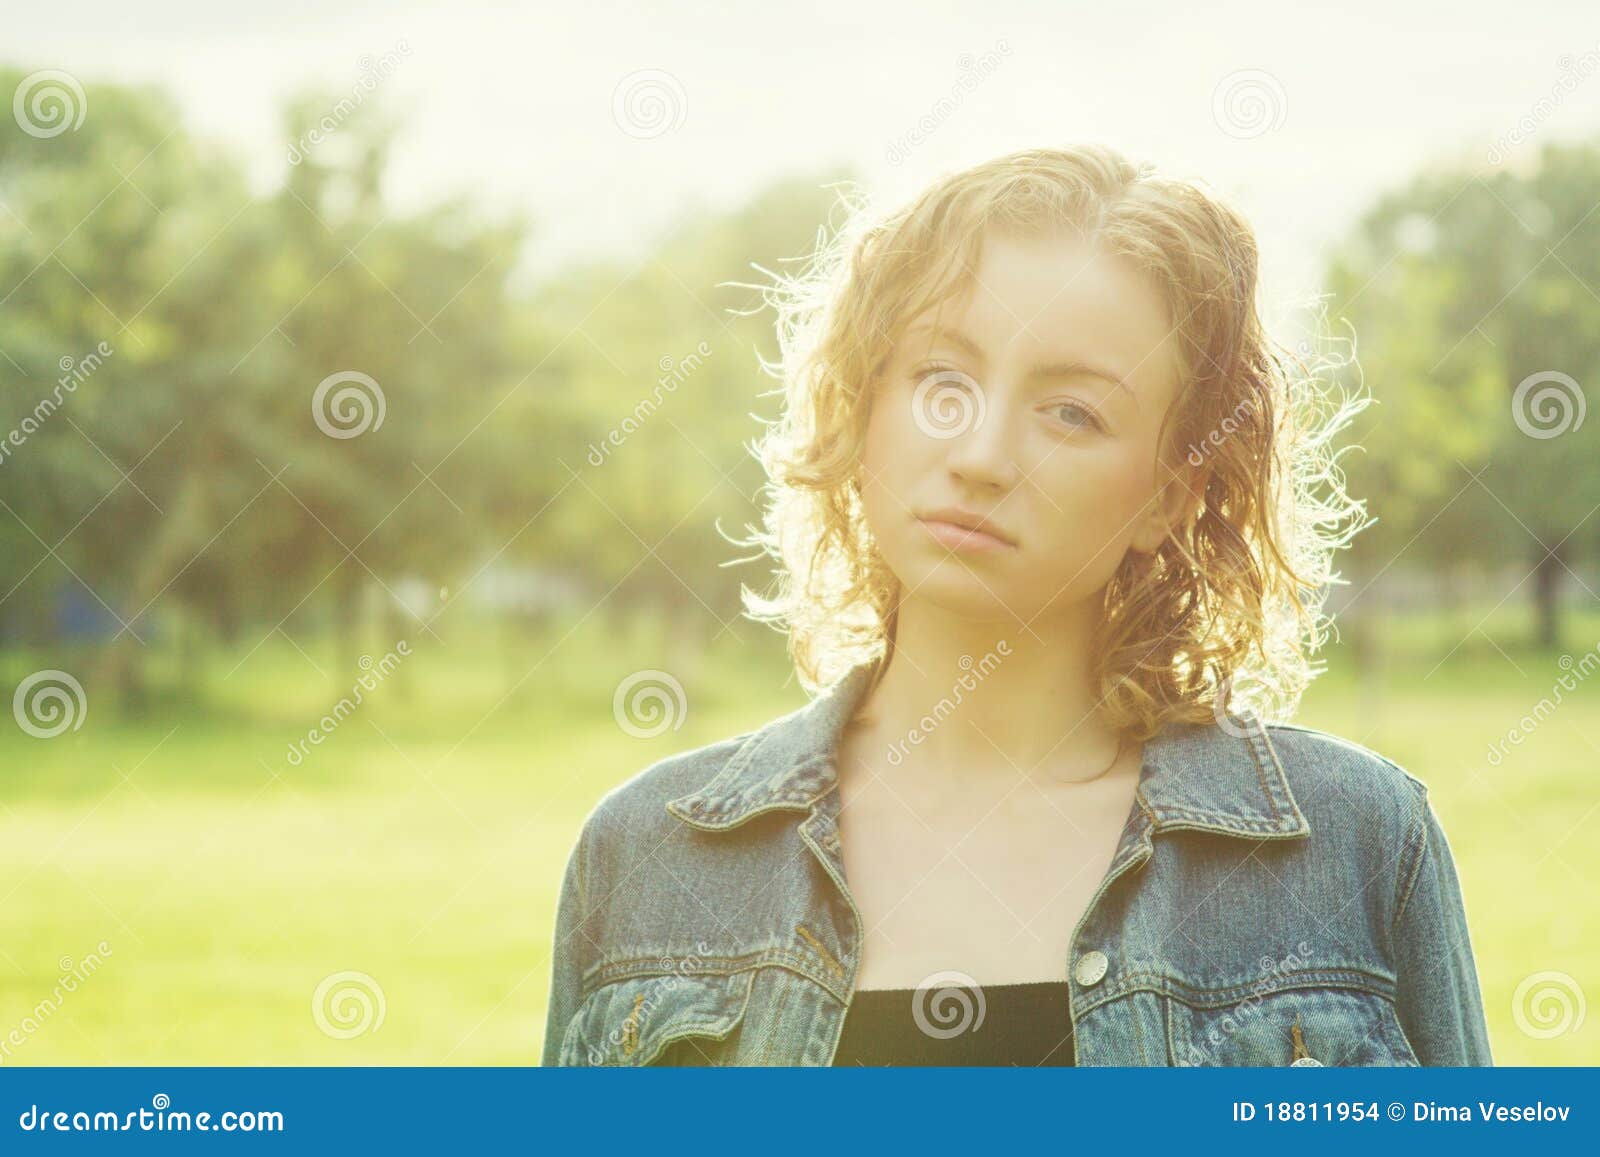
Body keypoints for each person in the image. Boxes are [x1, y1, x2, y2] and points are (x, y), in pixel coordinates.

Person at [540, 144, 1494, 1067]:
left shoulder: (1358, 845)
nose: (982, 453)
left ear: (1169, 492)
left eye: (1071, 411)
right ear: (863, 409)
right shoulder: (644, 860)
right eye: (942, 382)